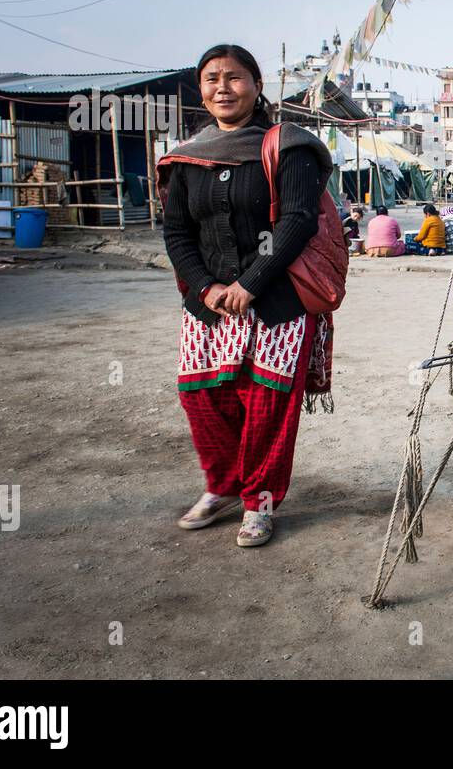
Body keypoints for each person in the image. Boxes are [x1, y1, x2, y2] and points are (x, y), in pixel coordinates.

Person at [157, 43, 334, 548]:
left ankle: (259, 500)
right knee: (203, 398)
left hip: (277, 304)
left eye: (234, 77)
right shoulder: (189, 156)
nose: (222, 87)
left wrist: (250, 283)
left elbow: (298, 220)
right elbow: (176, 234)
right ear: (202, 91)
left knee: (267, 405)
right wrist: (209, 286)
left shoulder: (288, 146)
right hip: (208, 307)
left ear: (257, 86)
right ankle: (223, 486)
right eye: (211, 79)